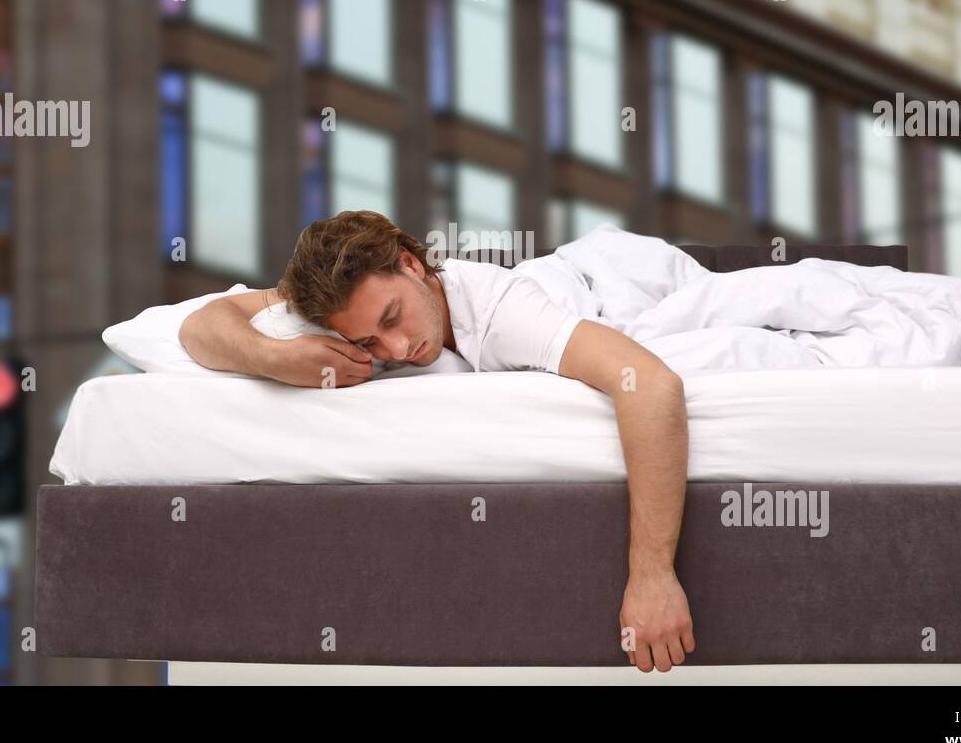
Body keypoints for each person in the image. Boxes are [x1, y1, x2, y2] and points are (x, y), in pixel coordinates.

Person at [178, 209, 695, 673]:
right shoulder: (339, 306)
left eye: (392, 318)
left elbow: (650, 385)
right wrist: (274, 358)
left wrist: (653, 577)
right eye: (369, 343)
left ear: (410, 263)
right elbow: (197, 325)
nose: (397, 349)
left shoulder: (506, 314)